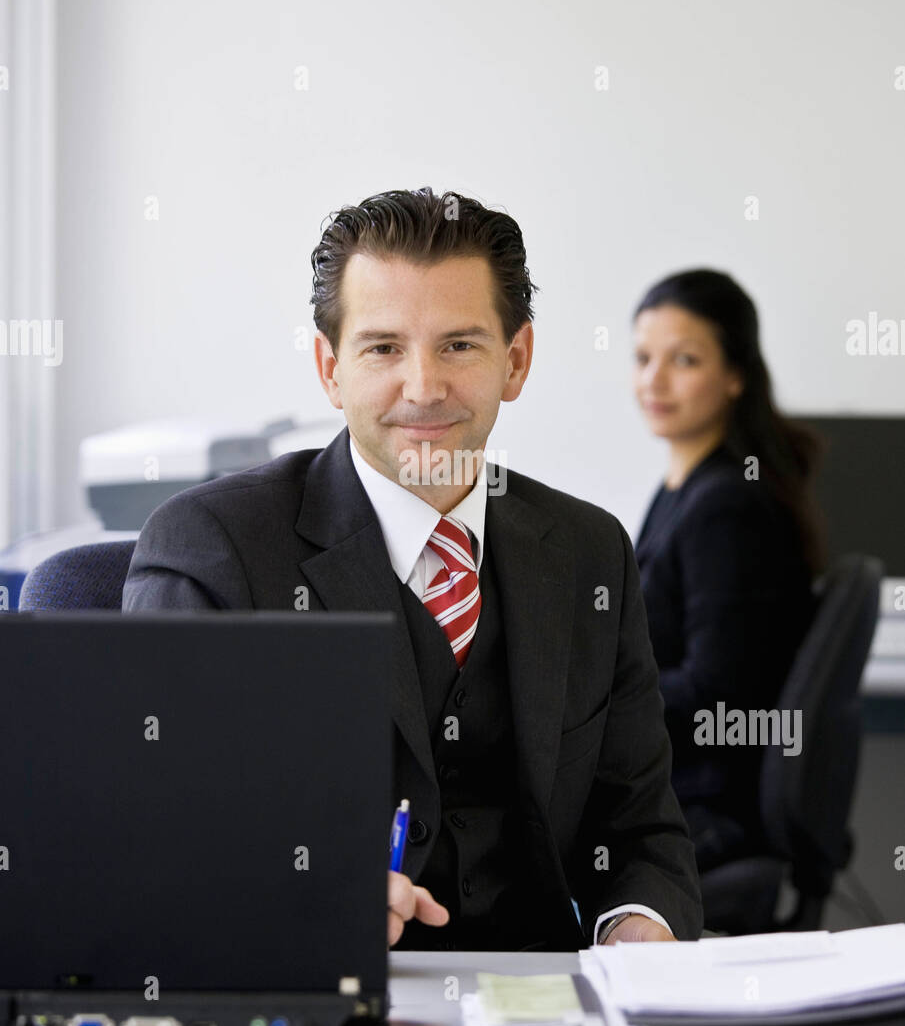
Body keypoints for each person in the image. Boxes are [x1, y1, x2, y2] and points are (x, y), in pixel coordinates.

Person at [123, 187, 702, 951]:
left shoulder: (590, 551)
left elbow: (639, 829)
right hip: (311, 1002)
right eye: (383, 348)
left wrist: (638, 931)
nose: (423, 387)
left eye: (458, 345)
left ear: (515, 360)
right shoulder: (214, 547)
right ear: (330, 368)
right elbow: (153, 829)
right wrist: (303, 893)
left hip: (538, 1016)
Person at [631, 268, 824, 872]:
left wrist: (597, 709)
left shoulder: (728, 507)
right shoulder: (686, 488)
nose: (653, 380)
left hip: (703, 804)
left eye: (684, 360)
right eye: (642, 357)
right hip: (682, 787)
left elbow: (719, 693)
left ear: (735, 375)